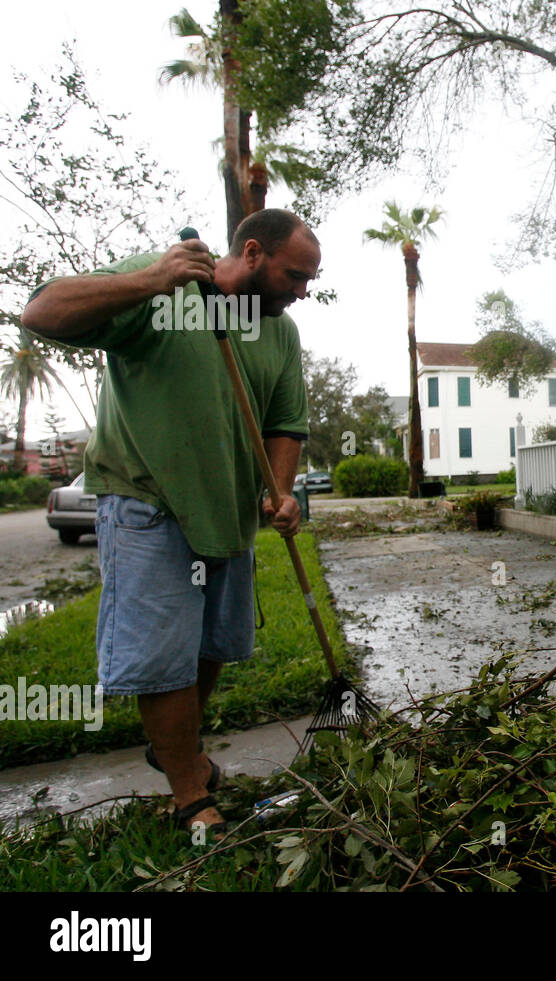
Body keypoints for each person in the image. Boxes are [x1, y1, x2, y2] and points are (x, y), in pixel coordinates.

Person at [22, 208, 321, 836]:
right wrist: (150, 281)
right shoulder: (167, 288)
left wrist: (282, 491)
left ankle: (173, 748)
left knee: (214, 645)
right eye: (295, 276)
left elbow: (285, 422)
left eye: (309, 280)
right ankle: (190, 794)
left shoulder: (280, 332)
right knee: (162, 658)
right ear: (252, 252)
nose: (302, 291)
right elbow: (41, 311)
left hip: (229, 510)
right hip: (145, 498)